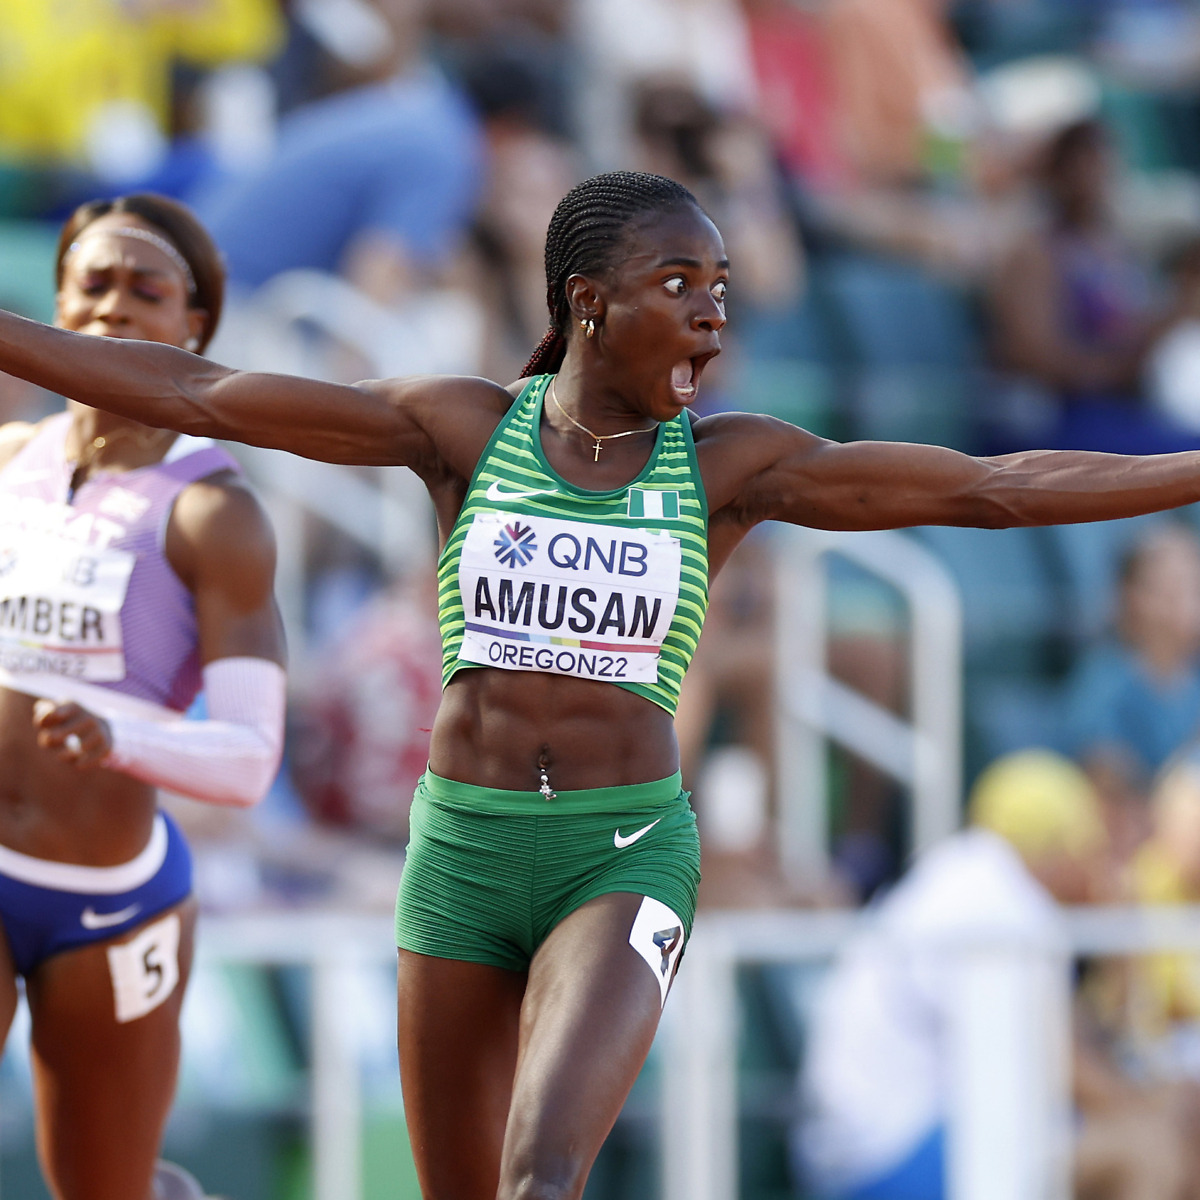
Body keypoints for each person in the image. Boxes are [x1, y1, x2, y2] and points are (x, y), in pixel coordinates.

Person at [7, 170, 1200, 1197]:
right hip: (462, 851)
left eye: (722, 288)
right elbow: (200, 396)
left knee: (545, 1174)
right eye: (683, 285)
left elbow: (997, 488)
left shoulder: (735, 464)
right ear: (589, 301)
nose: (715, 317)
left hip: (619, 849)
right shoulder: (463, 431)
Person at [0, 194, 285, 1200]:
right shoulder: (7, 461)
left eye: (146, 290)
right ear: (57, 304)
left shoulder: (217, 513)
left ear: (192, 325)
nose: (116, 308)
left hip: (112, 907)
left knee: (104, 1188)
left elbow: (250, 758)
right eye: (94, 284)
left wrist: (114, 730)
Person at [801, 749, 1200, 1200]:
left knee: (1162, 1134)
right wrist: (1151, 1109)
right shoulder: (1002, 900)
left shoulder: (975, 875)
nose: (1094, 866)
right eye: (1086, 850)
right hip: (888, 1156)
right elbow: (1063, 1068)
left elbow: (1077, 1048)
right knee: (1145, 1152)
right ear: (1057, 847)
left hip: (893, 1139)